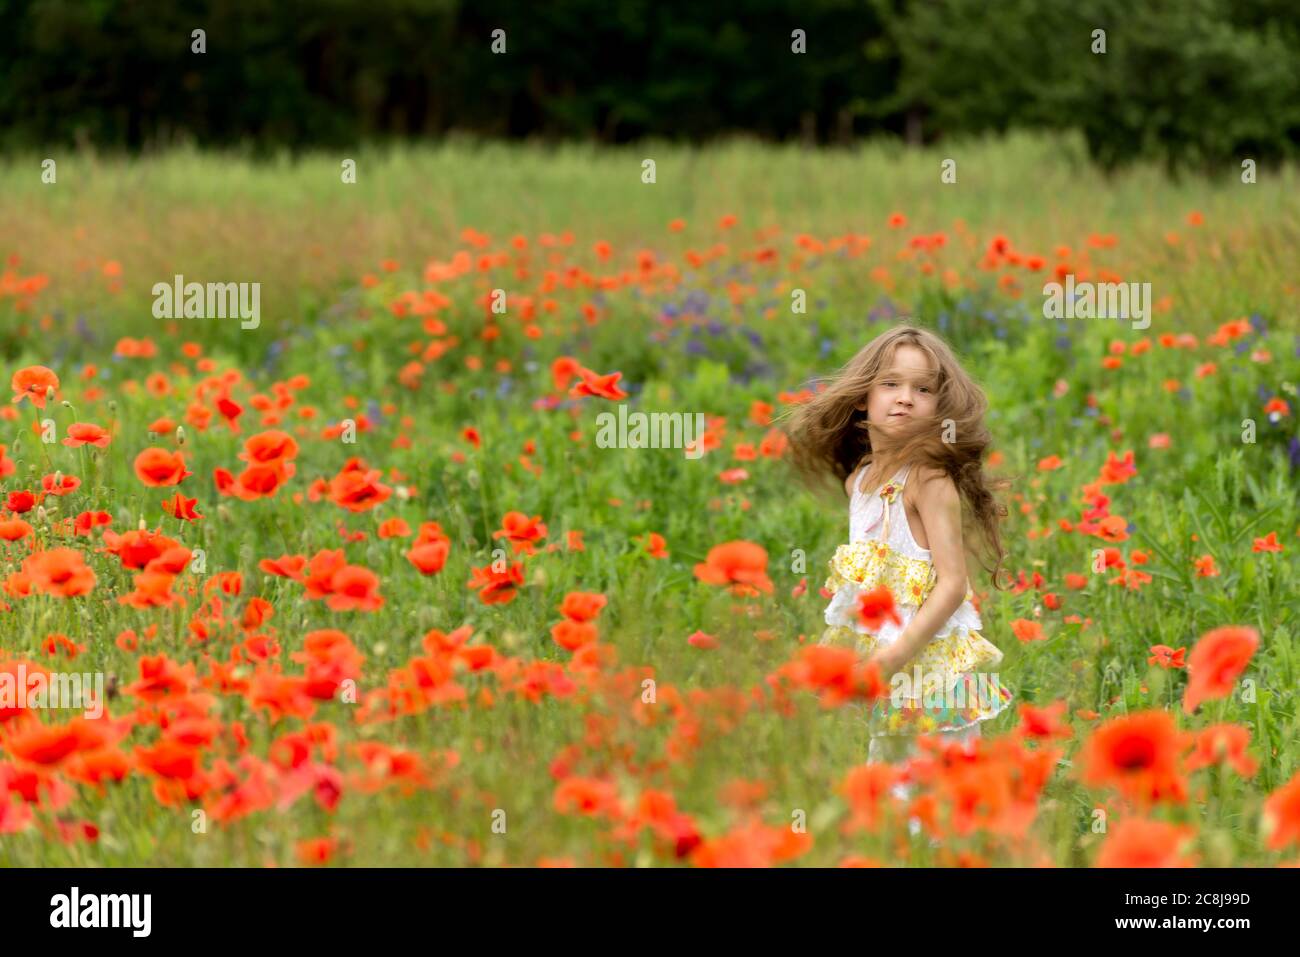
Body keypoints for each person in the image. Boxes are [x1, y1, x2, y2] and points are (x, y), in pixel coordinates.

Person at [784, 323, 1015, 835]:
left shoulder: (928, 481)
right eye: (890, 384)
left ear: (939, 406)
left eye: (923, 389)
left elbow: (952, 584)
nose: (905, 399)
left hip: (931, 669)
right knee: (890, 790)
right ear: (863, 398)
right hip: (891, 670)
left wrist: (892, 658)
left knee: (938, 796)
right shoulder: (860, 481)